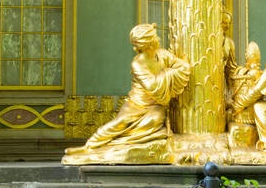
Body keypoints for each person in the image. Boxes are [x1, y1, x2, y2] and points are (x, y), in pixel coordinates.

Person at [66, 23, 190, 154]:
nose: (158, 39)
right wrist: (170, 72)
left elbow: (184, 67)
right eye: (155, 37)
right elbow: (152, 86)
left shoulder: (163, 55)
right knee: (120, 122)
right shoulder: (138, 63)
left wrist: (171, 71)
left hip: (155, 106)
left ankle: (134, 144)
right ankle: (90, 146)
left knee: (156, 120)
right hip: (136, 104)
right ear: (148, 43)